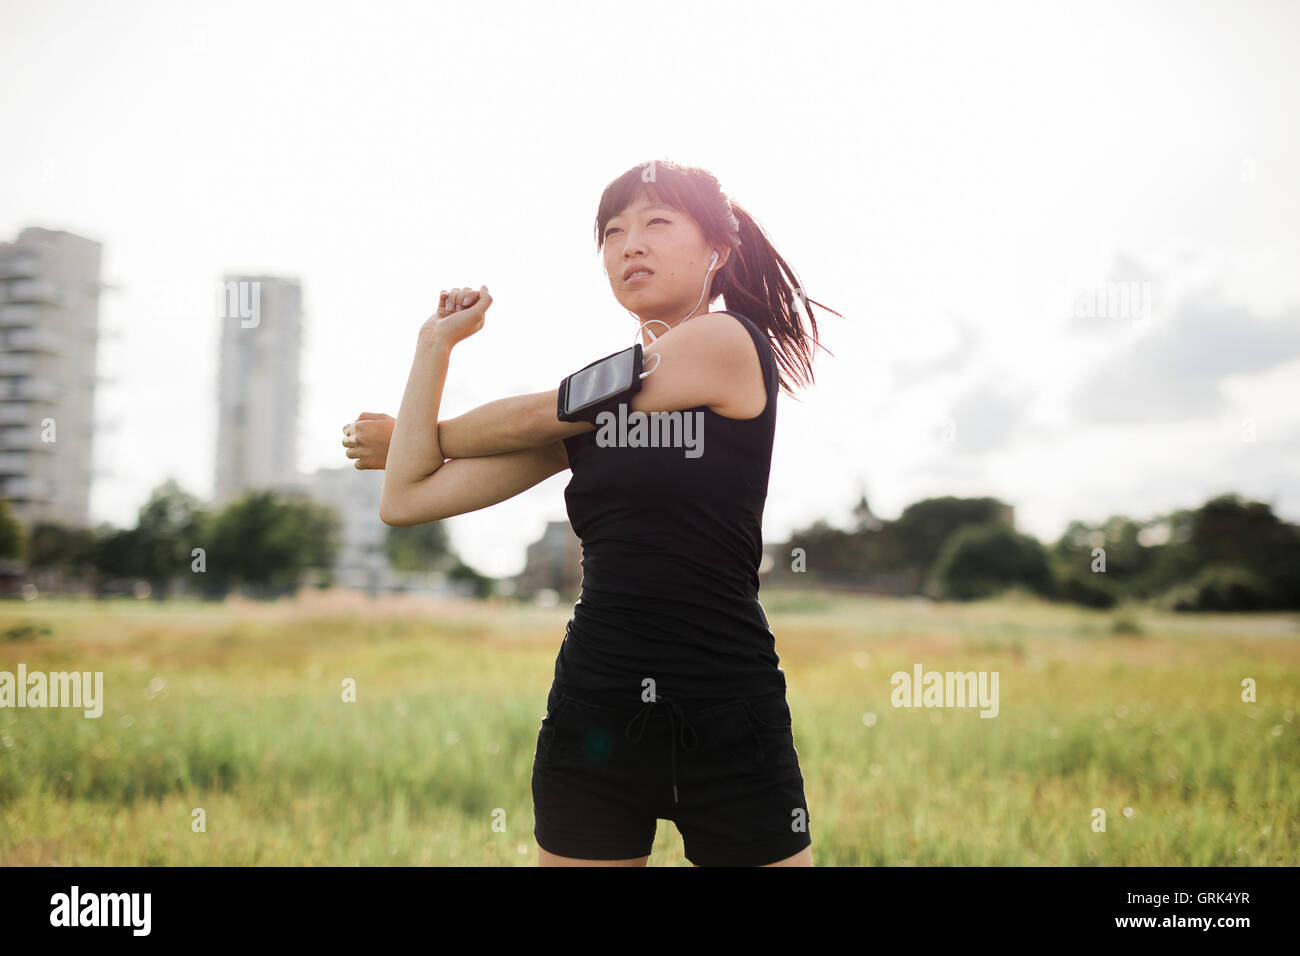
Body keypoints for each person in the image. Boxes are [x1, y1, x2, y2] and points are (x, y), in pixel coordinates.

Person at [342, 159, 839, 866]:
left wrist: (417, 434)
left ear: (717, 251)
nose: (630, 243)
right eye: (613, 231)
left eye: (657, 222)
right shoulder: (597, 417)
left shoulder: (726, 343)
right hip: (598, 704)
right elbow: (407, 497)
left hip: (727, 705)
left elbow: (543, 412)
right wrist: (434, 345)